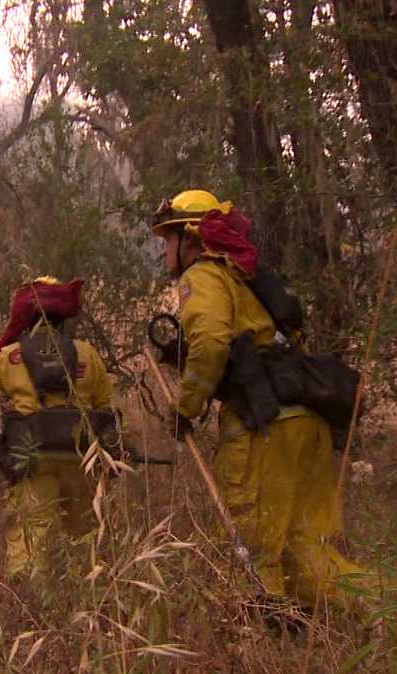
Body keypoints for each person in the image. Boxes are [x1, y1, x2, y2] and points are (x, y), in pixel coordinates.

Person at [151, 189, 370, 612]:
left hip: (262, 430)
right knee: (309, 552)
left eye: (168, 240)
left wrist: (184, 408)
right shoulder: (250, 281)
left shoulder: (204, 276)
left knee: (255, 555)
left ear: (192, 238)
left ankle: (266, 638)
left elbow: (212, 344)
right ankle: (383, 612)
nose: (164, 252)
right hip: (308, 421)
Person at [0, 277, 118, 578]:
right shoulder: (87, 353)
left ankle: (30, 613)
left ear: (25, 317)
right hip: (82, 461)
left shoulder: (9, 357)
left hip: (32, 464)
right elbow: (107, 411)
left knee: (31, 542)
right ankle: (87, 608)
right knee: (83, 541)